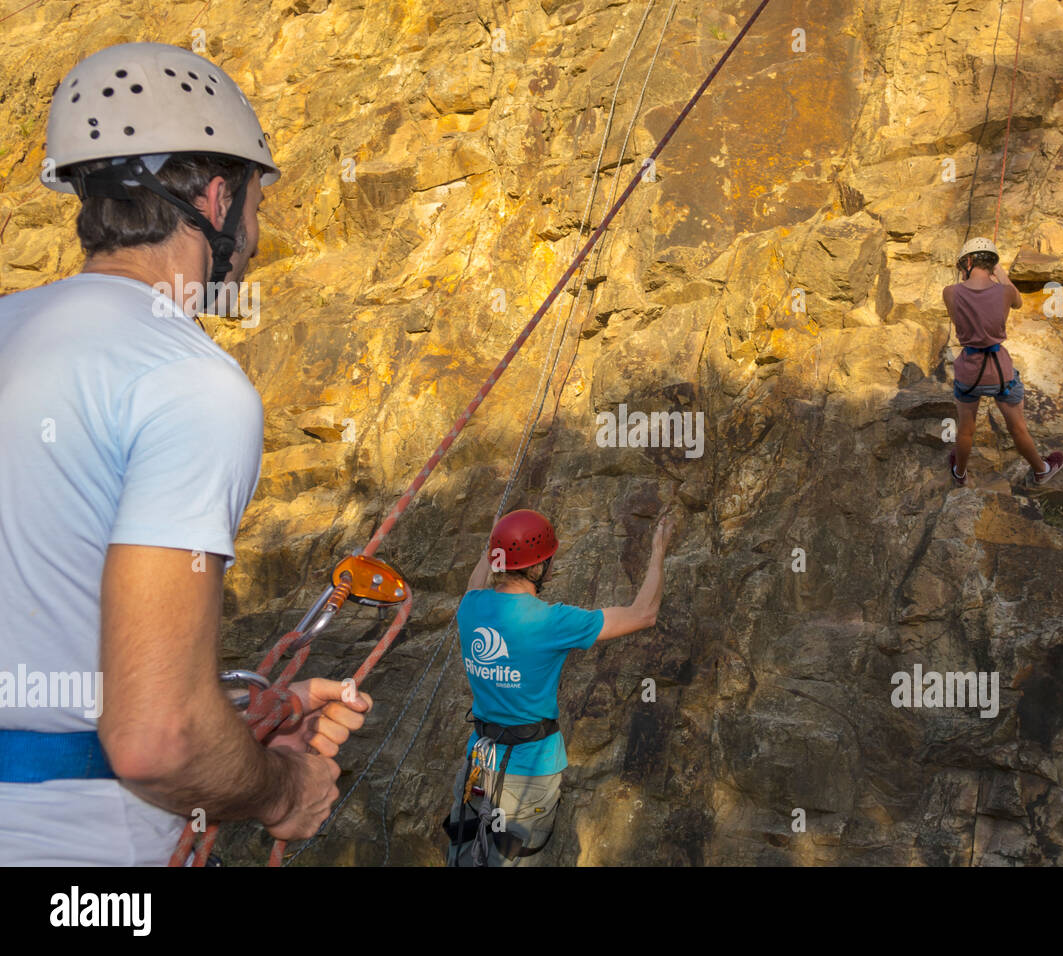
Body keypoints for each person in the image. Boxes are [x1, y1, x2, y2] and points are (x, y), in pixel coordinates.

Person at [0, 42, 370, 866]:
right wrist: (283, 788)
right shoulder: (189, 380)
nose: (256, 232)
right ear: (215, 195)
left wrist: (222, 717)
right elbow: (155, 739)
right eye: (256, 202)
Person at [443, 508, 677, 866]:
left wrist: (491, 545)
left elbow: (478, 580)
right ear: (539, 567)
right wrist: (659, 549)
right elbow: (643, 613)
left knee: (465, 850)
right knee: (513, 857)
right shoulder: (552, 621)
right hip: (530, 770)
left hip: (478, 759)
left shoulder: (470, 606)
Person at [942, 237, 1063, 487]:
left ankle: (960, 473)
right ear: (992, 264)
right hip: (1000, 370)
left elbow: (959, 316)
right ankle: (1041, 470)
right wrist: (1001, 274)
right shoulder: (1005, 291)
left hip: (969, 370)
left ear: (967, 261)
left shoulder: (951, 292)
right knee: (1017, 427)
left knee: (966, 429)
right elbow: (1018, 302)